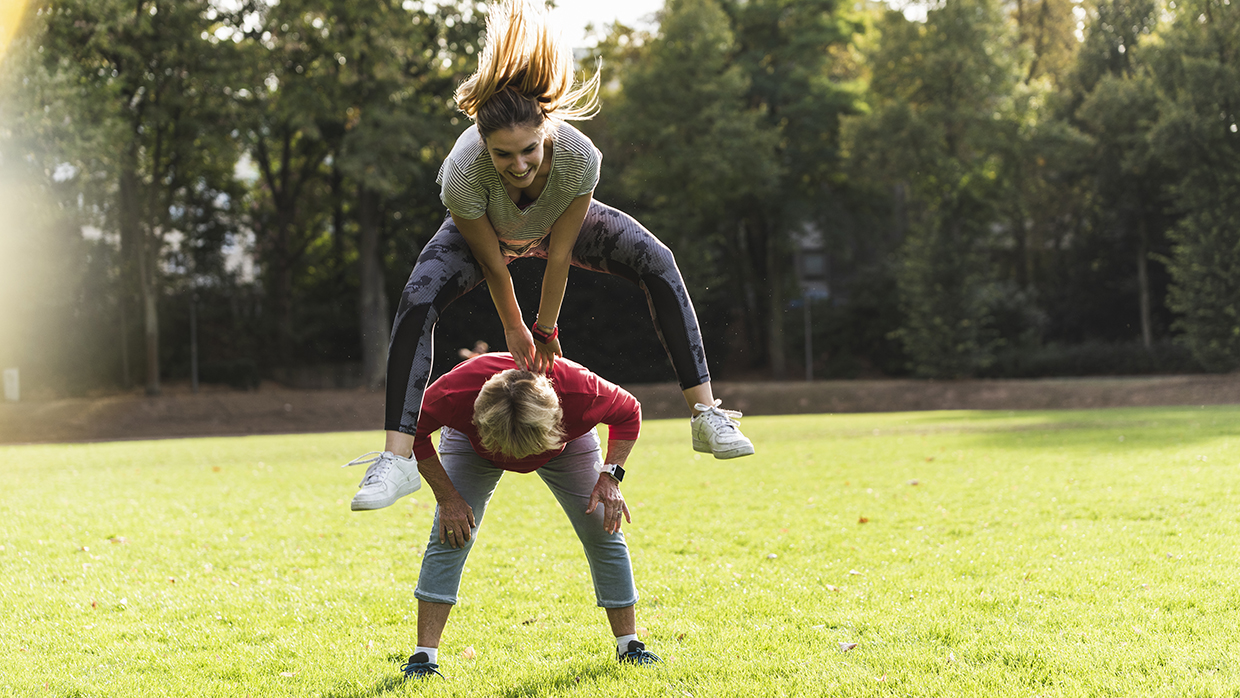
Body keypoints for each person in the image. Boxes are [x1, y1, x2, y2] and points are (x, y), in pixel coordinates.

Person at [347, 0, 752, 512]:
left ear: (547, 134)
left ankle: (705, 414)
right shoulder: (463, 171)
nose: (518, 165)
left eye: (530, 150)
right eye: (503, 154)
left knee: (658, 260)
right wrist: (515, 327)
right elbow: (494, 262)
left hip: (560, 227)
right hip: (490, 234)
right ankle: (397, 458)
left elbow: (557, 255)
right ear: (483, 145)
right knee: (418, 296)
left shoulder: (579, 157)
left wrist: (545, 328)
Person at [346, 352, 660, 679]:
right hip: (476, 445)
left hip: (564, 444)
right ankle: (424, 658)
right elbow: (413, 432)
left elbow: (630, 412)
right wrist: (447, 497)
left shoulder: (584, 392)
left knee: (603, 527)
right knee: (451, 534)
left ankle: (630, 645)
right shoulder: (451, 396)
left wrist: (610, 477)